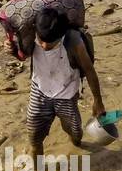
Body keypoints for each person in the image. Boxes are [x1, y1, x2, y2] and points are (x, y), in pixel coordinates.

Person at [28, 8, 106, 157]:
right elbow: (18, 51)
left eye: (50, 43)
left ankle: (75, 146)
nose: (44, 46)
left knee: (76, 133)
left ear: (61, 35)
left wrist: (98, 100)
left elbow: (89, 70)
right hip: (40, 91)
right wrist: (10, 47)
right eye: (41, 41)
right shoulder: (30, 33)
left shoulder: (73, 41)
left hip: (67, 94)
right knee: (34, 137)